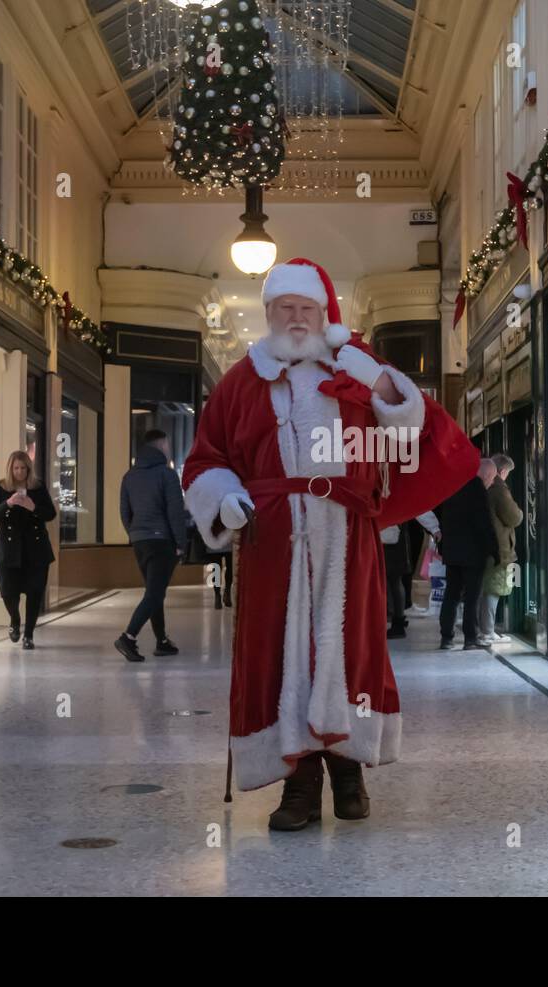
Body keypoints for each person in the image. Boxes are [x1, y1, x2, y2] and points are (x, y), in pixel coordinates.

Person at [183, 257, 478, 832]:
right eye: (284, 309)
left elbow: (415, 432)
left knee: (351, 652)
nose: (296, 319)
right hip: (273, 541)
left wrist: (380, 381)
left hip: (348, 538)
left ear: (325, 314)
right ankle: (299, 785)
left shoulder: (355, 370)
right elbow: (205, 460)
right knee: (281, 655)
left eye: (306, 309)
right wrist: (224, 498)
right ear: (269, 315)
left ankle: (350, 772)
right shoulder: (242, 382)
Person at [114, 429, 188, 662]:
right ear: (161, 445)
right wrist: (180, 543)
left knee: (154, 592)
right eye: (166, 444)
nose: (168, 448)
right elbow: (175, 512)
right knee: (155, 593)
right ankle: (128, 637)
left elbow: (125, 513)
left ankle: (162, 641)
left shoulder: (129, 476)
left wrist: (135, 533)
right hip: (162, 540)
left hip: (140, 541)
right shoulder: (166, 475)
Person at [0, 450, 56, 650]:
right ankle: (15, 619)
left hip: (35, 549)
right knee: (8, 591)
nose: (20, 472)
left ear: (28, 469)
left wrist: (33, 507)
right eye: (16, 468)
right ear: (11, 468)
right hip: (8, 550)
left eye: (23, 468)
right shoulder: (1, 487)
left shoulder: (38, 487)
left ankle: (29, 635)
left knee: (35, 593)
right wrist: (8, 503)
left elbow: (50, 514)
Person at [436, 459, 499, 651]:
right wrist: (494, 550)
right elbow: (484, 521)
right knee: (472, 596)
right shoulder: (477, 488)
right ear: (486, 475)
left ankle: (446, 637)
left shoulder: (452, 484)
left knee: (451, 594)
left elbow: (438, 510)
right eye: (492, 478)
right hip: (473, 552)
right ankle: (470, 638)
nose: (492, 483)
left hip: (452, 549)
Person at [479, 453, 524, 645]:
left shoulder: (481, 486)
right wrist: (521, 513)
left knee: (484, 589)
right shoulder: (498, 489)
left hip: (484, 546)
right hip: (499, 548)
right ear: (502, 471)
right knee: (494, 589)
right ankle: (487, 631)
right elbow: (513, 517)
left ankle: (482, 629)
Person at [380, 511, 439, 639]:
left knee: (392, 581)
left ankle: (396, 622)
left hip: (388, 536)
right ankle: (397, 620)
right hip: (393, 535)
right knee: (394, 581)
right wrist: (434, 528)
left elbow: (417, 507)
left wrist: (434, 528)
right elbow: (418, 507)